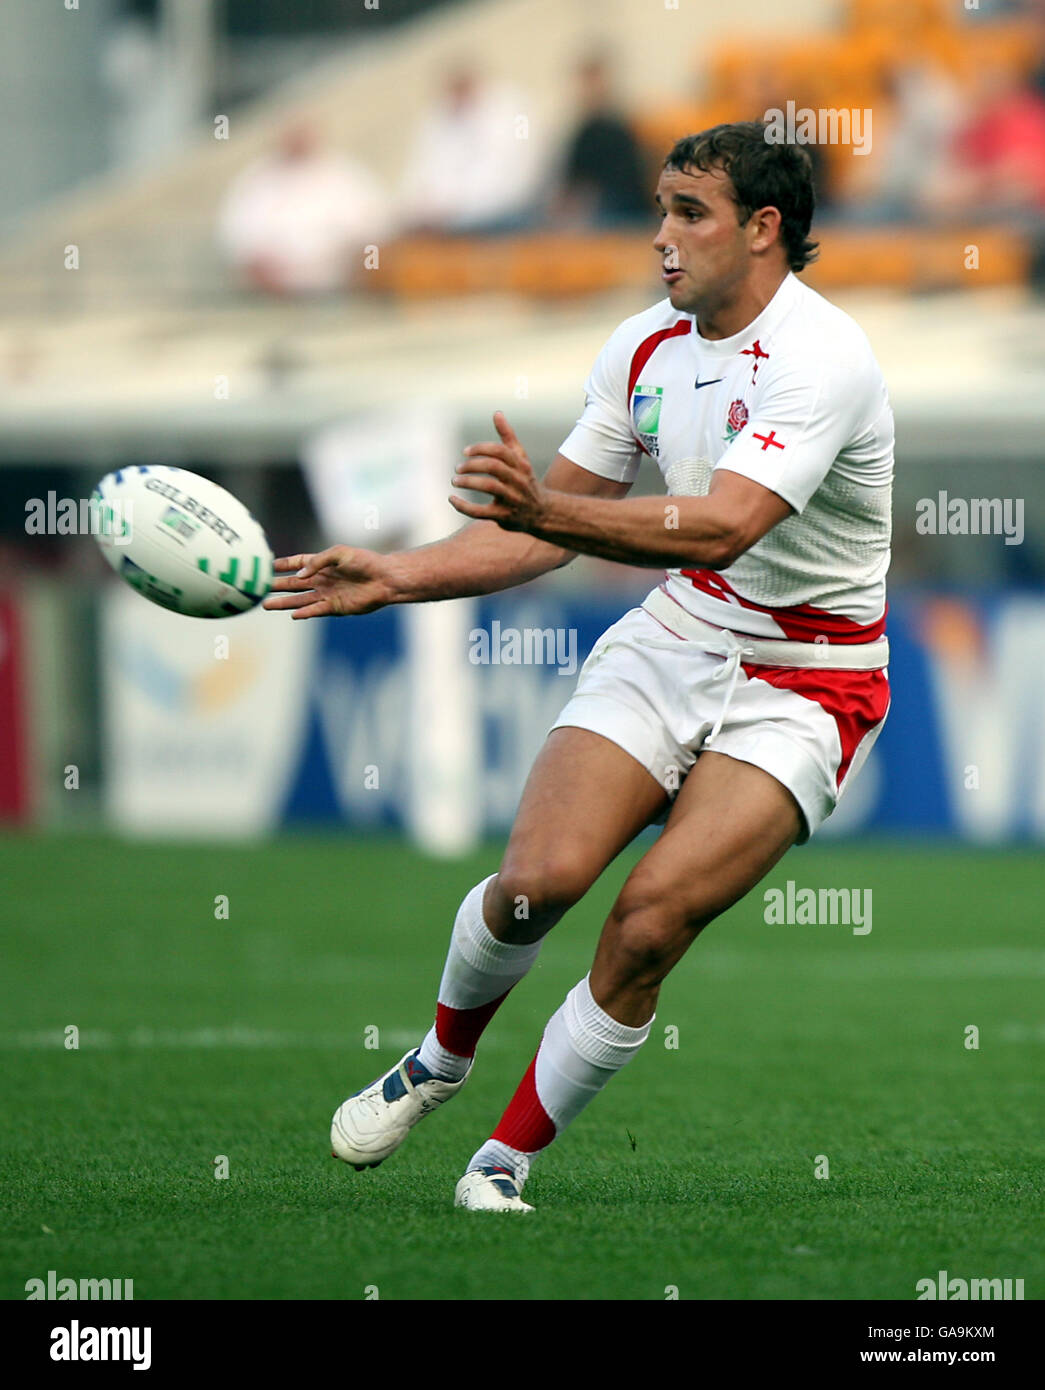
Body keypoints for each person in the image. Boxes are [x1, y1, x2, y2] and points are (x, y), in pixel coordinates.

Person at [264, 121, 894, 1213]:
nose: (659, 236)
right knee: (533, 886)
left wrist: (548, 505)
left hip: (811, 674)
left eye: (687, 213)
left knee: (649, 922)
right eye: (657, 207)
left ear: (763, 229)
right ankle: (439, 1059)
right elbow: (544, 530)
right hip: (678, 634)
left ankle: (502, 1159)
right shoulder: (642, 347)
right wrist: (398, 574)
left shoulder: (822, 357)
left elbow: (721, 526)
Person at [217, 121, 391, 296]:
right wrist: (257, 267)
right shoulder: (257, 179)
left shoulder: (345, 175)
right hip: (273, 291)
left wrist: (364, 267)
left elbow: (373, 228)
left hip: (340, 286)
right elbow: (239, 234)